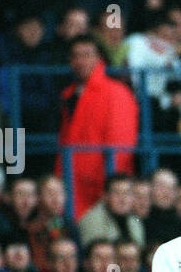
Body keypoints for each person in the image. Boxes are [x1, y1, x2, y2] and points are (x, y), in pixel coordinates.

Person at [57, 35, 138, 219]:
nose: (80, 61)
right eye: (75, 56)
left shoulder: (116, 92)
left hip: (99, 189)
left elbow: (121, 147)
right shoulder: (69, 93)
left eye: (86, 55)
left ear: (99, 58)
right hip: (72, 184)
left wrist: (110, 188)